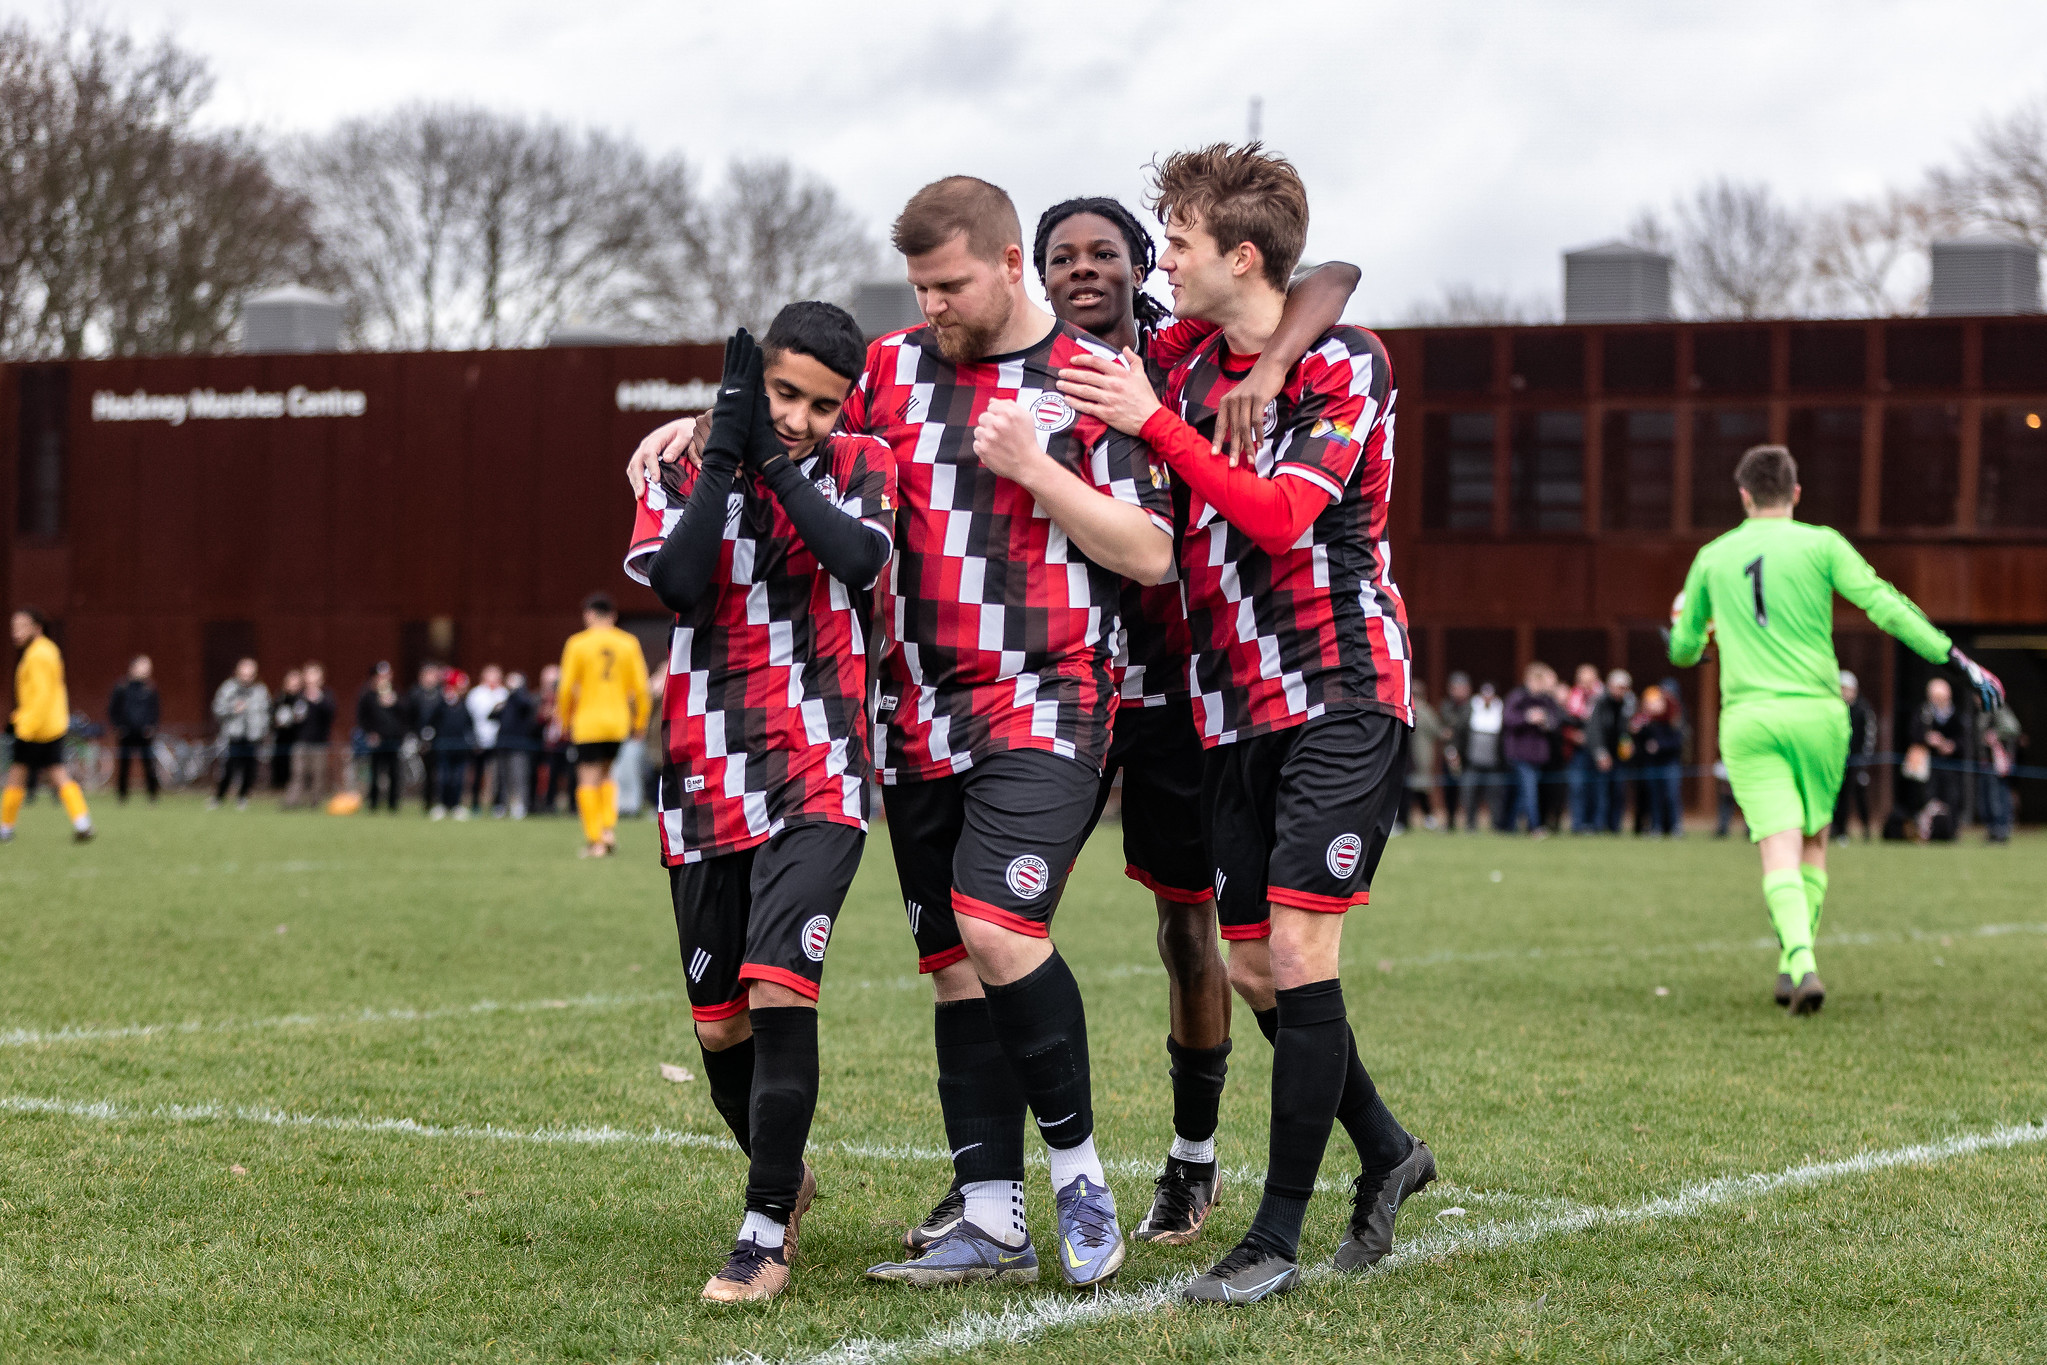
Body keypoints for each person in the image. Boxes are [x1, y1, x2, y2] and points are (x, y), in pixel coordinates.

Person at [633, 183, 1176, 1292]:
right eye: (919, 288)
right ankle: (988, 1212)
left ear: (1009, 265)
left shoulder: (1088, 378)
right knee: (950, 965)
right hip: (912, 710)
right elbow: (794, 416)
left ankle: (1076, 1176)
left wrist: (1037, 469)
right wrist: (695, 425)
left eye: (951, 286)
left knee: (996, 920)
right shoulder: (888, 365)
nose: (932, 306)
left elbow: (1150, 553)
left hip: (1047, 691)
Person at [1058, 142, 1430, 1302]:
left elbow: (1274, 517)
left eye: (1174, 241)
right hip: (1228, 707)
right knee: (1259, 971)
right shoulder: (1180, 352)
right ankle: (1389, 1153)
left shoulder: (1344, 369)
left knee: (1303, 953)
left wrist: (1178, 416)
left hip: (1339, 686)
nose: (1159, 262)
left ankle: (1272, 1238)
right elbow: (1322, 273)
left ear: (1241, 255)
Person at [1032, 194, 1356, 1246]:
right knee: (991, 921)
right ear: (1034, 278)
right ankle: (984, 1184)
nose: (1083, 272)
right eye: (1059, 258)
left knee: (1194, 933)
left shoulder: (1176, 355)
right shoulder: (1018, 373)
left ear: (1144, 270)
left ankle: (1193, 1153)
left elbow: (1331, 277)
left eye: (1108, 253)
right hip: (1060, 680)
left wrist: (1267, 369)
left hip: (1188, 681)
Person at [627, 309, 897, 1304]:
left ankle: (762, 1233)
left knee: (780, 987)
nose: (803, 417)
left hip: (818, 770)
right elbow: (683, 583)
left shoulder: (862, 461)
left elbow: (860, 563)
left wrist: (773, 462)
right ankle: (786, 1177)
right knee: (717, 1027)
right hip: (702, 781)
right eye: (784, 394)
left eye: (823, 403)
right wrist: (721, 457)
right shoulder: (676, 470)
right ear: (753, 382)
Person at [1670, 443, 2003, 1015]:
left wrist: (1687, 635)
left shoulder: (1713, 556)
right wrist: (1955, 657)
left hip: (1750, 719)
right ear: (1796, 493)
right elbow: (1884, 604)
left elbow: (1683, 649)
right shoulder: (1821, 543)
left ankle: (1799, 963)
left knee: (1777, 848)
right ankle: (1790, 967)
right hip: (1820, 716)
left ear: (1744, 496)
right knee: (1814, 842)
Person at [557, 594, 650, 857]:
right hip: (617, 722)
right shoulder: (628, 642)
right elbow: (641, 687)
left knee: (587, 777)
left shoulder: (578, 643)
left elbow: (565, 688)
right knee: (608, 775)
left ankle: (595, 839)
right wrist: (640, 720)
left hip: (588, 722)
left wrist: (564, 720)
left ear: (588, 614)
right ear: (613, 615)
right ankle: (608, 829)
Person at [4, 607, 93, 843]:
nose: (16, 632)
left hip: (35, 728)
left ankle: (5, 827)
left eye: (22, 626)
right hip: (52, 726)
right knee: (59, 774)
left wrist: (23, 725)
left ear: (37, 628)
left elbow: (40, 696)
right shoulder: (46, 650)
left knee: (16, 776)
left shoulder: (37, 655)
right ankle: (82, 822)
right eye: (14, 627)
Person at [1502, 662, 1559, 836]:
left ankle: (1507, 826)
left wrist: (1545, 722)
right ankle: (1535, 827)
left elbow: (1555, 722)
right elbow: (1507, 719)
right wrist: (1527, 717)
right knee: (1529, 791)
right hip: (1519, 754)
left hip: (1538, 755)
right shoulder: (1517, 697)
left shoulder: (1547, 701)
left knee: (1523, 794)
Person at [210, 658, 269, 810]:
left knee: (250, 769)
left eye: (250, 675)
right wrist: (232, 709)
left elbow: (266, 713)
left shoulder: (260, 691)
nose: (246, 678)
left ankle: (243, 797)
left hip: (253, 737)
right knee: (228, 768)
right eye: (244, 674)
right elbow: (217, 709)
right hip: (233, 736)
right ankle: (219, 797)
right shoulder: (228, 688)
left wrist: (262, 731)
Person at [1585, 669, 1635, 833]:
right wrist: (1601, 753)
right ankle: (1599, 825)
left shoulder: (1628, 704)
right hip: (1603, 756)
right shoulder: (1600, 702)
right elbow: (1594, 730)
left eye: (1624, 688)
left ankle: (1615, 826)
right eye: (1618, 687)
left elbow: (1627, 730)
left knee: (1618, 792)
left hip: (1620, 757)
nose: (1621, 691)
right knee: (1601, 792)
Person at [1831, 670, 1878, 841]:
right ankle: (1839, 830)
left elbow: (1869, 736)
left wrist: (1864, 760)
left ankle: (1866, 830)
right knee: (1840, 796)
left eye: (1847, 688)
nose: (1844, 692)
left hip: (1857, 761)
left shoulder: (1863, 709)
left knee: (1860, 795)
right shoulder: (1835, 709)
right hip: (1838, 761)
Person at [107, 654, 161, 803]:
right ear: (133, 668)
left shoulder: (150, 688)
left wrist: (152, 726)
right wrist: (118, 727)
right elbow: (113, 709)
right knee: (124, 764)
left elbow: (155, 710)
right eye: (143, 666)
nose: (146, 670)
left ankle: (153, 795)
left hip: (144, 733)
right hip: (126, 733)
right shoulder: (122, 687)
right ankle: (122, 796)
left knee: (149, 764)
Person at [1630, 686, 1683, 835]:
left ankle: (1675, 826)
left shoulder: (1672, 719)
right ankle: (1656, 826)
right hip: (1651, 764)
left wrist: (1660, 746)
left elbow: (1677, 742)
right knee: (1654, 797)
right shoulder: (1645, 721)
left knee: (1672, 796)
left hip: (1669, 763)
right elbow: (1638, 741)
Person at [284, 663, 336, 809]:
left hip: (319, 742)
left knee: (318, 775)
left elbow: (330, 713)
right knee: (297, 773)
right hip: (301, 741)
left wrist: (318, 700)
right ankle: (291, 802)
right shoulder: (299, 696)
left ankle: (315, 802)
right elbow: (290, 716)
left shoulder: (326, 695)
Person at [357, 663, 407, 812]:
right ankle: (373, 803)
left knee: (394, 773)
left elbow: (404, 716)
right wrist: (370, 733)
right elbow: (362, 718)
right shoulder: (368, 695)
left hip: (393, 741)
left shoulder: (396, 694)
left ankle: (393, 805)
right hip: (376, 741)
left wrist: (394, 703)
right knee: (375, 773)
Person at [1914, 677, 1966, 818]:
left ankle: (1950, 829)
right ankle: (1930, 828)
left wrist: (1952, 746)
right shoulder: (1924, 713)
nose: (1937, 701)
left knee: (1952, 796)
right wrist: (1927, 738)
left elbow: (1965, 740)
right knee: (1929, 796)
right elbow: (1913, 733)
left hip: (1951, 765)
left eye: (1940, 697)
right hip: (1929, 763)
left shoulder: (1957, 716)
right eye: (1934, 697)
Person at [1460, 681, 1505, 831]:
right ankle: (1470, 824)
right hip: (1473, 761)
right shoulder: (1471, 708)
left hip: (1493, 763)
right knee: (1470, 794)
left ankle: (1496, 824)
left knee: (1494, 796)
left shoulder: (1500, 709)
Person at [430, 669, 474, 820]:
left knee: (458, 778)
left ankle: (456, 805)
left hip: (460, 747)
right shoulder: (441, 702)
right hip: (444, 746)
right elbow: (433, 720)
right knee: (443, 777)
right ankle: (442, 804)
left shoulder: (463, 703)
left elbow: (469, 723)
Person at [465, 663, 509, 814]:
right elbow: (470, 718)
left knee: (499, 774)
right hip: (479, 740)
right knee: (477, 773)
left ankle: (498, 805)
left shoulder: (504, 693)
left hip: (498, 740)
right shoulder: (476, 694)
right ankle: (475, 804)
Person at [1561, 664, 1600, 832]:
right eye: (1583, 681)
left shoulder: (1601, 697)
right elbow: (1564, 723)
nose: (1586, 684)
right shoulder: (1573, 697)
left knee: (1595, 789)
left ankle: (1595, 824)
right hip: (1577, 752)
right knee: (1577, 788)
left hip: (1596, 750)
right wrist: (1573, 736)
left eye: (1589, 681)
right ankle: (1578, 824)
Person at [496, 671, 539, 820]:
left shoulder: (523, 697)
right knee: (504, 777)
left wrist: (517, 690)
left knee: (518, 776)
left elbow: (526, 705)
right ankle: (504, 804)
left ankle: (519, 805)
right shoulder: (506, 699)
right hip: (503, 744)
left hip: (519, 745)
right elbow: (493, 716)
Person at [1405, 678, 1446, 831]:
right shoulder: (1425, 711)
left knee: (1419, 788)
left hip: (1416, 757)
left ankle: (1426, 818)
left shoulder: (1415, 710)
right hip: (1420, 757)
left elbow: (1437, 731)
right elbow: (1440, 732)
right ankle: (1426, 819)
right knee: (1418, 788)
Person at [404, 663, 445, 816]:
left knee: (436, 772)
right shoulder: (414, 694)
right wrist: (413, 734)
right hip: (417, 737)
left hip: (437, 740)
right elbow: (409, 717)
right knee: (419, 772)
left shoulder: (441, 695)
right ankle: (425, 802)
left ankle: (437, 802)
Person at [1438, 672, 1472, 830]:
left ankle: (1470, 822)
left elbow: (1460, 725)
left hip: (1469, 754)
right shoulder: (1446, 705)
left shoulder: (1471, 706)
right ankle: (1450, 820)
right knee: (1450, 789)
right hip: (1450, 753)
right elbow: (1446, 728)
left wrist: (1452, 728)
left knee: (1468, 790)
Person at [270, 668, 304, 792]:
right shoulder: (280, 697)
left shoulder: (302, 698)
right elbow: (272, 715)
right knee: (280, 765)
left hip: (297, 738)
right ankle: (279, 788)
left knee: (295, 768)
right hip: (281, 738)